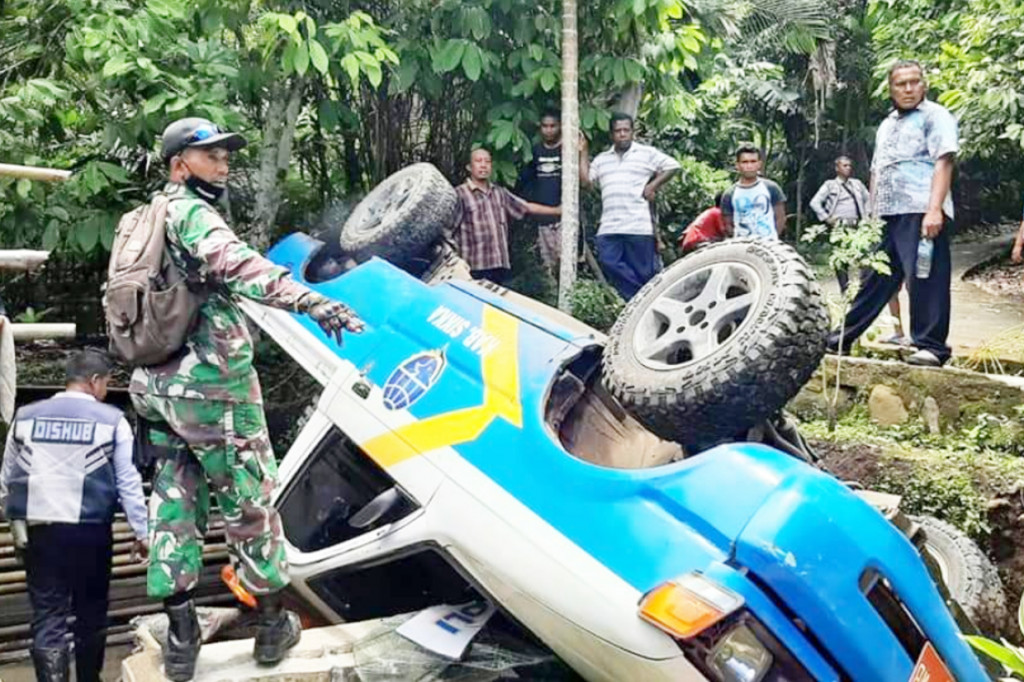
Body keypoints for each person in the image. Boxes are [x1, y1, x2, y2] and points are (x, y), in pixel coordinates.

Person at [131, 117, 364, 681]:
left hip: (158, 386)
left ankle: (182, 636)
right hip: (213, 386)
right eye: (209, 154)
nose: (223, 162)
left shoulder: (141, 219)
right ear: (179, 164)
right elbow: (237, 265)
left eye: (224, 153)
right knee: (249, 498)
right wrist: (310, 301)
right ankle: (270, 626)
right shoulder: (190, 213)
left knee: (173, 502)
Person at [0, 350, 149, 682]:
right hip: (90, 532)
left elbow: (6, 479)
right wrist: (142, 532)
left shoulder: (25, 416)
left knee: (48, 615)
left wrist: (15, 523)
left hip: (39, 532)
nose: (107, 391)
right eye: (107, 383)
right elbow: (128, 481)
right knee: (90, 613)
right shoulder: (112, 421)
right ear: (95, 381)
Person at [827, 60, 958, 367]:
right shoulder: (887, 125)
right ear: (891, 89)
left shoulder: (936, 116)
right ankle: (841, 338)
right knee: (876, 278)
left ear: (923, 85)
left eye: (915, 82)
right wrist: (871, 217)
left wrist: (934, 209)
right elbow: (877, 171)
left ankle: (932, 346)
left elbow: (944, 161)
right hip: (887, 213)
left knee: (925, 276)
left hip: (920, 208)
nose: (909, 89)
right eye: (902, 84)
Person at [579, 112, 680, 300]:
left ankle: (649, 303)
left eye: (626, 130)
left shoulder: (646, 153)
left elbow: (672, 165)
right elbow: (586, 182)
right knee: (609, 262)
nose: (622, 134)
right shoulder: (602, 159)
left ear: (633, 132)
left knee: (645, 273)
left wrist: (652, 185)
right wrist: (583, 151)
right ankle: (641, 300)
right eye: (618, 131)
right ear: (611, 134)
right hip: (609, 226)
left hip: (638, 226)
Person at [452, 147, 561, 285]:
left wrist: (557, 211)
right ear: (469, 166)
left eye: (487, 161)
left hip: (499, 265)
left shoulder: (499, 193)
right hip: (473, 266)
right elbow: (448, 231)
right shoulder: (460, 194)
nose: (483, 165)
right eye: (478, 161)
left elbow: (525, 207)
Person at [517, 109, 564, 277]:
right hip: (543, 218)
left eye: (553, 126)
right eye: (545, 126)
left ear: (560, 126)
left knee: (565, 263)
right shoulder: (535, 151)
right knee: (548, 267)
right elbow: (527, 180)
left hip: (565, 219)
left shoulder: (567, 151)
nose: (549, 130)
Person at [721, 146, 787, 239]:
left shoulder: (771, 188)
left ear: (759, 164)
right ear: (737, 165)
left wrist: (772, 238)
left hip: (769, 245)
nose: (749, 166)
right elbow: (728, 224)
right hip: (741, 246)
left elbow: (780, 218)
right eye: (745, 162)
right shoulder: (730, 194)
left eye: (753, 161)